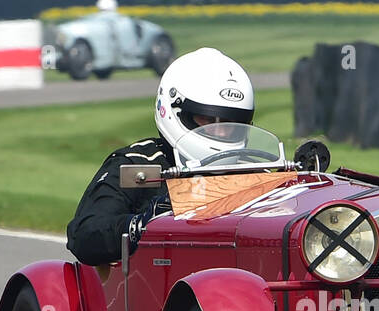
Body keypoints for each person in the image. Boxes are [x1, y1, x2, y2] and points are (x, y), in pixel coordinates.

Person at [66, 47, 256, 265]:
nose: (221, 132)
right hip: (152, 287)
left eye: (232, 124)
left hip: (243, 284)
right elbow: (84, 234)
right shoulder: (138, 165)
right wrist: (141, 224)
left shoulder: (253, 170)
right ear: (173, 109)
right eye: (208, 119)